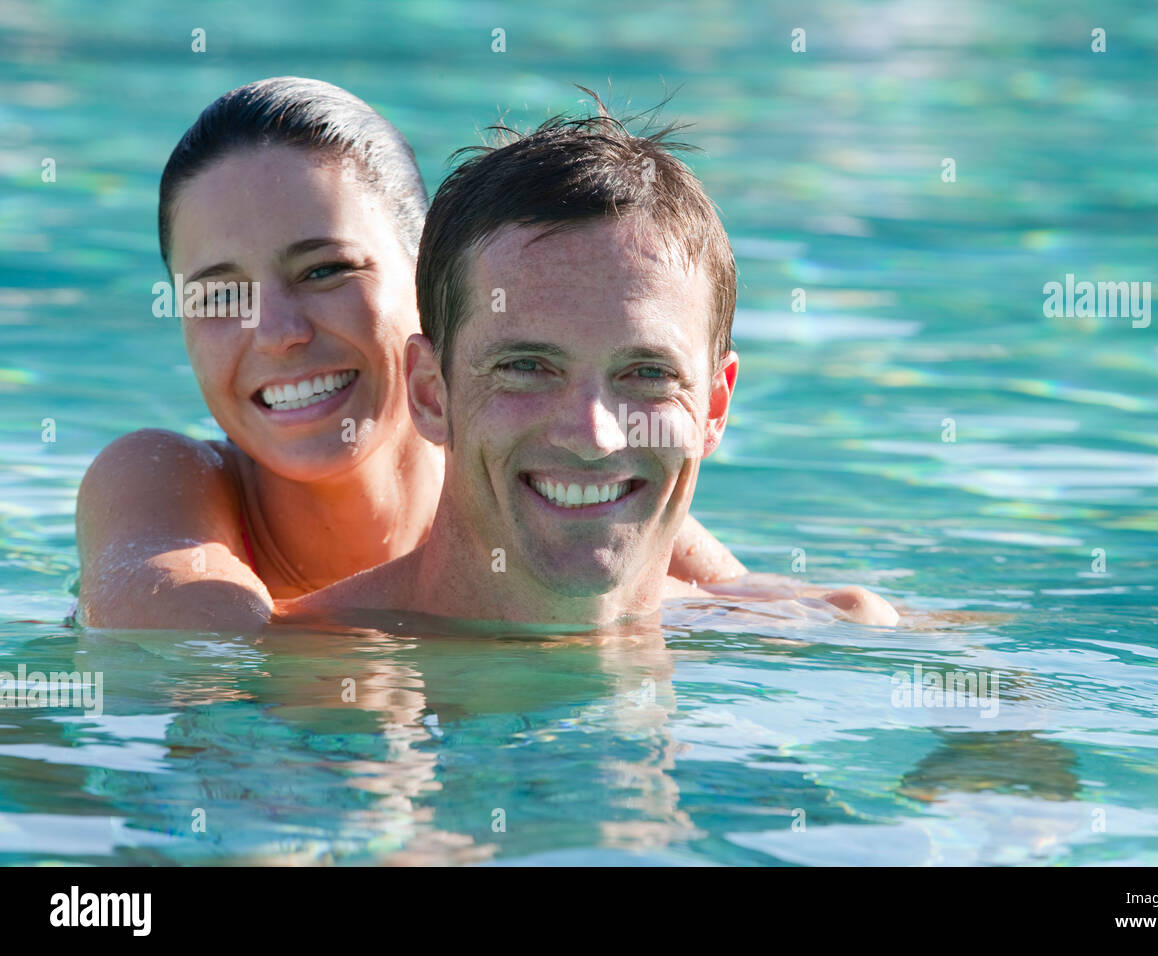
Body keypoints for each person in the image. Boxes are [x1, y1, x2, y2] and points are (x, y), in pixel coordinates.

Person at [74, 77, 746, 630]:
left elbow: (742, 604)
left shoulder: (541, 460)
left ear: (432, 281)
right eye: (221, 297)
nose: (276, 331)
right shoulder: (163, 483)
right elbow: (188, 653)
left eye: (325, 271)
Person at [283, 98, 898, 628]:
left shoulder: (820, 641)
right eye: (525, 366)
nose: (593, 437)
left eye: (649, 373)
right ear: (429, 393)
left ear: (714, 407)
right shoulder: (285, 674)